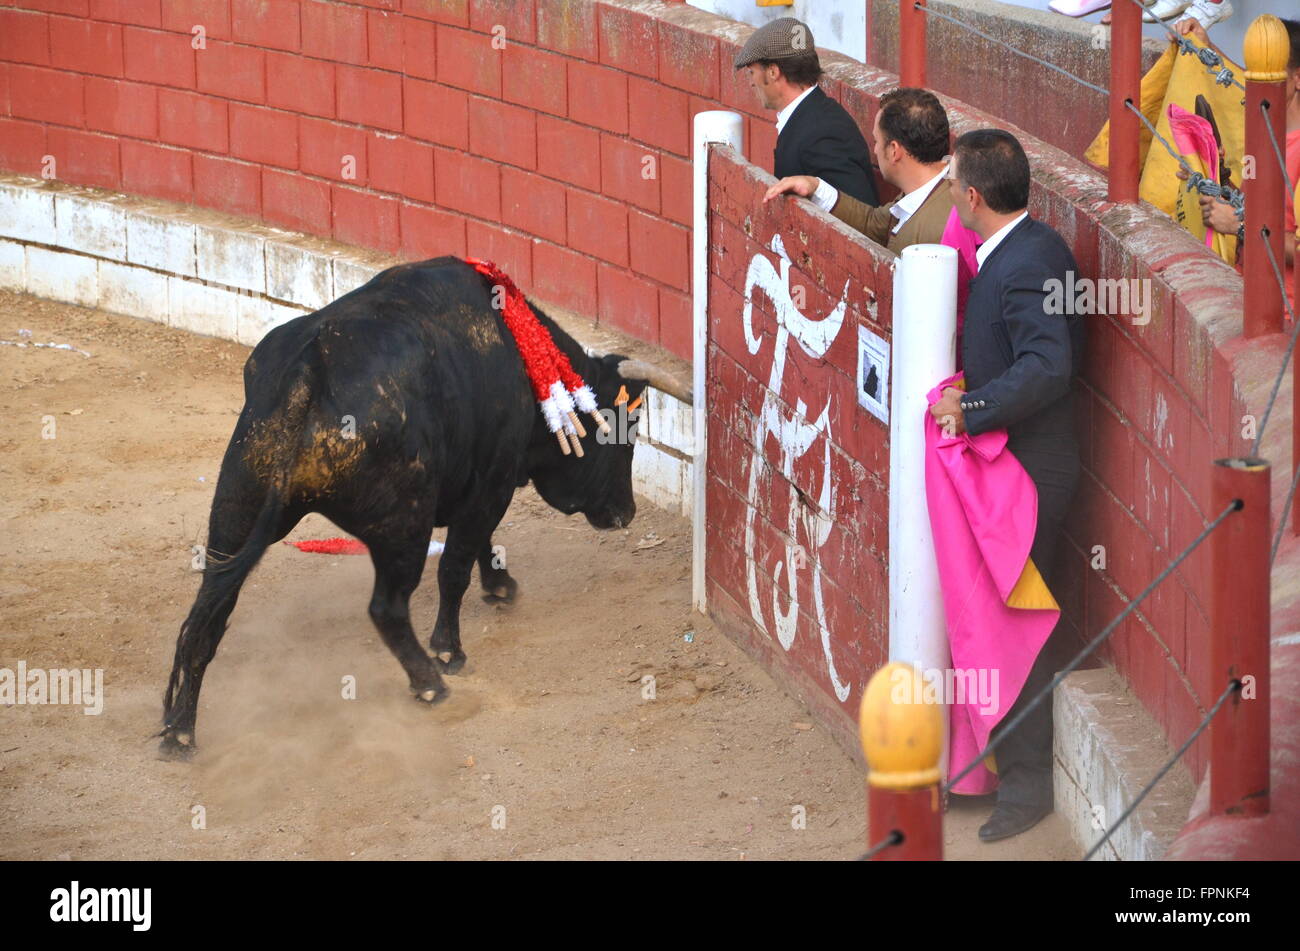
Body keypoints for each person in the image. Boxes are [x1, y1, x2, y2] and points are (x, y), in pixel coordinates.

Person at [929, 129, 1086, 842]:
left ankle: (1026, 786)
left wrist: (975, 406)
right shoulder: (1036, 246)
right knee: (1005, 620)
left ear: (971, 196)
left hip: (1025, 475)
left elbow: (1048, 364)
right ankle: (1011, 769)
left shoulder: (1019, 266)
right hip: (1019, 466)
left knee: (1012, 625)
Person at [762, 87, 954, 252]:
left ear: (894, 151)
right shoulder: (927, 188)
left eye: (877, 141)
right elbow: (873, 223)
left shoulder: (937, 228)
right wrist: (816, 186)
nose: (875, 149)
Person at [1197, 17, 1299, 313]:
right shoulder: (1265, 137)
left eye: (1268, 74)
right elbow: (1256, 209)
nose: (1253, 84)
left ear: (1298, 78)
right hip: (1247, 297)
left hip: (1284, 318)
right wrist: (1214, 179)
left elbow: (1251, 222)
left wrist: (1240, 226)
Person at [733, 17, 878, 206]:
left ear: (773, 72)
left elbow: (860, 218)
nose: (751, 82)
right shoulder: (814, 114)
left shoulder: (822, 134)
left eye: (752, 72)